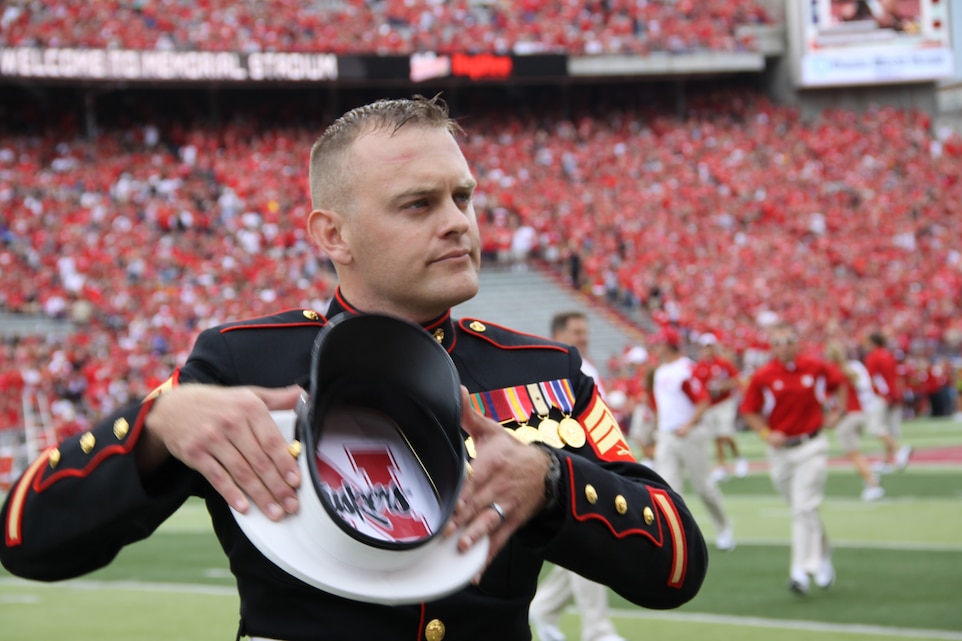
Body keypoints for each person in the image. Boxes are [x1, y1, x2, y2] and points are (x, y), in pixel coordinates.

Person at [0, 96, 708, 641]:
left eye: (463, 196)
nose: (459, 221)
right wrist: (151, 429)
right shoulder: (242, 360)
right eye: (419, 204)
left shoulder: (543, 369)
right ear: (331, 233)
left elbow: (677, 562)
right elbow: (27, 537)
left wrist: (553, 483)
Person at [529, 312, 627, 641]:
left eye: (585, 331)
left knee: (580, 546)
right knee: (591, 542)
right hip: (570, 469)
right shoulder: (550, 370)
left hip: (593, 466)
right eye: (576, 332)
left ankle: (542, 610)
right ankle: (597, 630)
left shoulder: (587, 367)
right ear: (558, 333)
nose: (584, 337)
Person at [740, 322, 844, 595]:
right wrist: (765, 432)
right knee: (803, 508)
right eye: (778, 342)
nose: (784, 347)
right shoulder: (763, 376)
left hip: (811, 445)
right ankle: (823, 557)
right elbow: (749, 410)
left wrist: (838, 411)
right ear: (771, 347)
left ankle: (800, 570)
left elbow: (839, 383)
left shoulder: (814, 367)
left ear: (797, 343)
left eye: (788, 340)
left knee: (803, 507)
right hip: (781, 451)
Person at [648, 326, 735, 552]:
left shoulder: (686, 369)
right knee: (667, 488)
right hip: (667, 435)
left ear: (668, 345)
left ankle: (724, 526)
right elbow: (659, 405)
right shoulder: (660, 371)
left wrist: (688, 424)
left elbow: (703, 400)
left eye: (659, 343)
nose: (655, 347)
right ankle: (675, 538)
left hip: (689, 434)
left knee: (704, 486)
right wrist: (658, 428)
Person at [823, 340, 884, 501]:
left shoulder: (833, 372)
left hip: (848, 416)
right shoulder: (849, 369)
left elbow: (831, 400)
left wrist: (833, 418)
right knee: (856, 452)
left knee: (854, 454)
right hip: (859, 413)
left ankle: (872, 483)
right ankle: (870, 475)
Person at [692, 333, 748, 482]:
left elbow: (737, 380)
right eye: (705, 347)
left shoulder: (723, 363)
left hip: (724, 402)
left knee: (725, 433)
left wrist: (724, 386)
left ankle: (739, 458)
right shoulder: (700, 366)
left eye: (709, 346)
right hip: (710, 404)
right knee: (716, 437)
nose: (707, 350)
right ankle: (722, 466)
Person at [863, 331, 912, 474]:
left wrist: (881, 393)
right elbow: (897, 376)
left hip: (882, 396)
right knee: (890, 429)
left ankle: (899, 449)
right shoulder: (889, 354)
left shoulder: (874, 356)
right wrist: (896, 393)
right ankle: (886, 461)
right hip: (894, 394)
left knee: (876, 428)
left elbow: (873, 377)